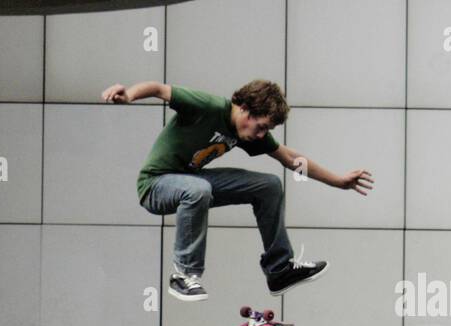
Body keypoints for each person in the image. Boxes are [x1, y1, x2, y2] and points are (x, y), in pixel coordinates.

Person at [102, 78, 373, 305]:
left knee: (269, 185)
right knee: (198, 189)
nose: (260, 135)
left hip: (193, 182)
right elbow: (160, 89)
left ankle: (279, 269)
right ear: (244, 109)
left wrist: (338, 181)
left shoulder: (248, 131)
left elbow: (289, 158)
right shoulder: (207, 107)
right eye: (261, 127)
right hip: (156, 185)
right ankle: (183, 275)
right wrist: (129, 95)